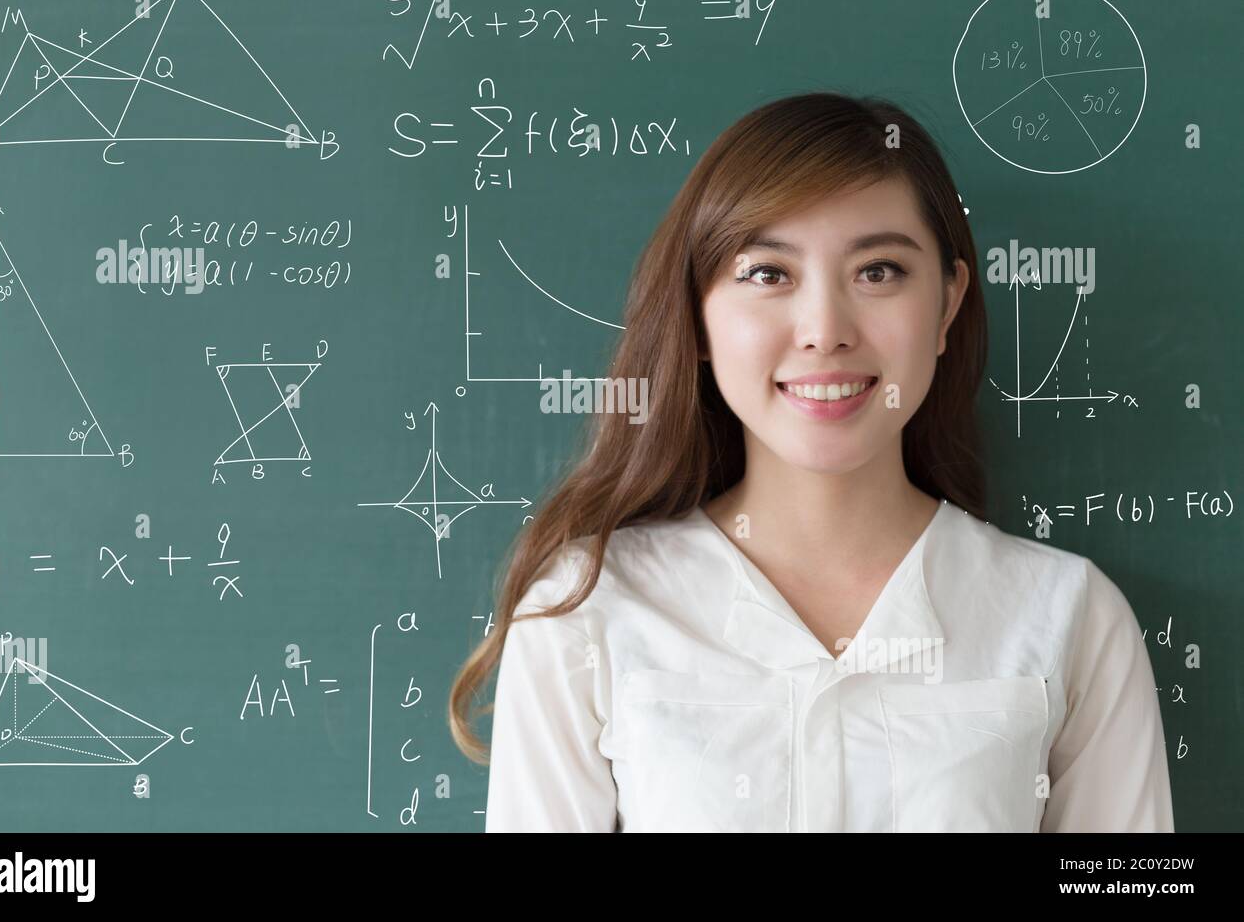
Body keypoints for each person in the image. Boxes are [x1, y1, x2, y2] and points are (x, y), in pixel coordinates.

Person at [450, 92, 1174, 833]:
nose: (825, 331)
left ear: (947, 307)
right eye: (767, 274)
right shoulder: (586, 610)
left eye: (880, 271)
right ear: (698, 315)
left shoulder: (1070, 618)